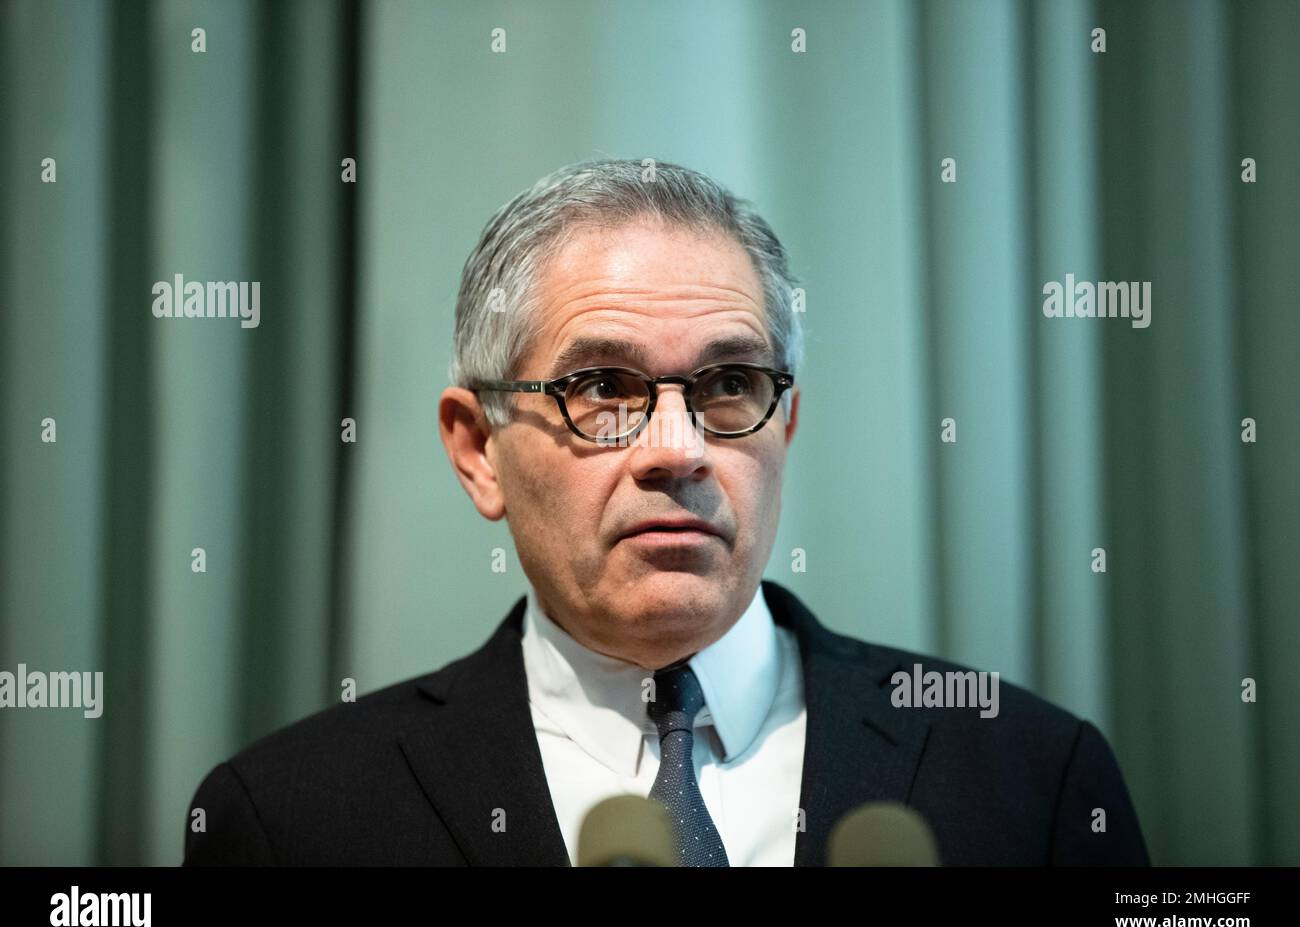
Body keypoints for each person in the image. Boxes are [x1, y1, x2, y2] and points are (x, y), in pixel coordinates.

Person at [183, 158, 1149, 866]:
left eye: (729, 385)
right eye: (603, 387)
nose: (678, 450)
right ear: (479, 450)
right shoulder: (290, 818)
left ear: (785, 427)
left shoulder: (1030, 774)